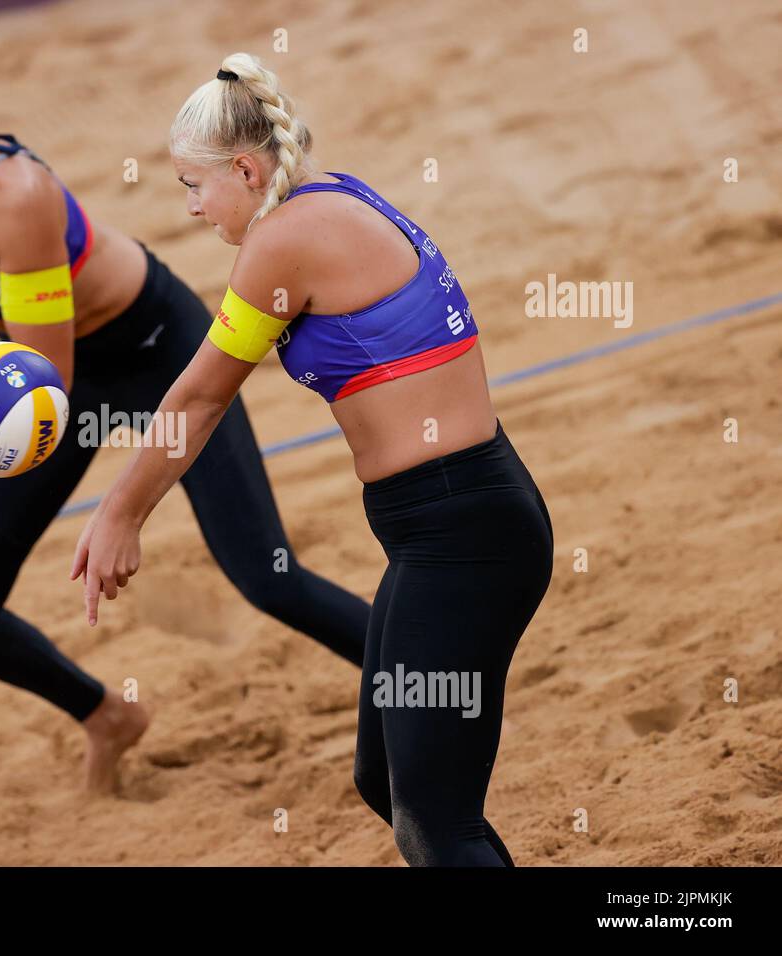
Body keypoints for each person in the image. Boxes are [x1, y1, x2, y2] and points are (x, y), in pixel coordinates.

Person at [0, 34, 372, 792]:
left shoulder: (16, 195)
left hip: (149, 354)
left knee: (265, 576)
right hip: (45, 382)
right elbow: (37, 377)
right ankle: (108, 714)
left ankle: (419, 679)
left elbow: (43, 379)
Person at [74, 53, 553, 862]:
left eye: (194, 185)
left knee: (436, 821)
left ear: (247, 168)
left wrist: (120, 511)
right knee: (385, 779)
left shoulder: (284, 241)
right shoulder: (334, 195)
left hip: (464, 535)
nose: (191, 209)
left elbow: (199, 397)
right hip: (450, 527)